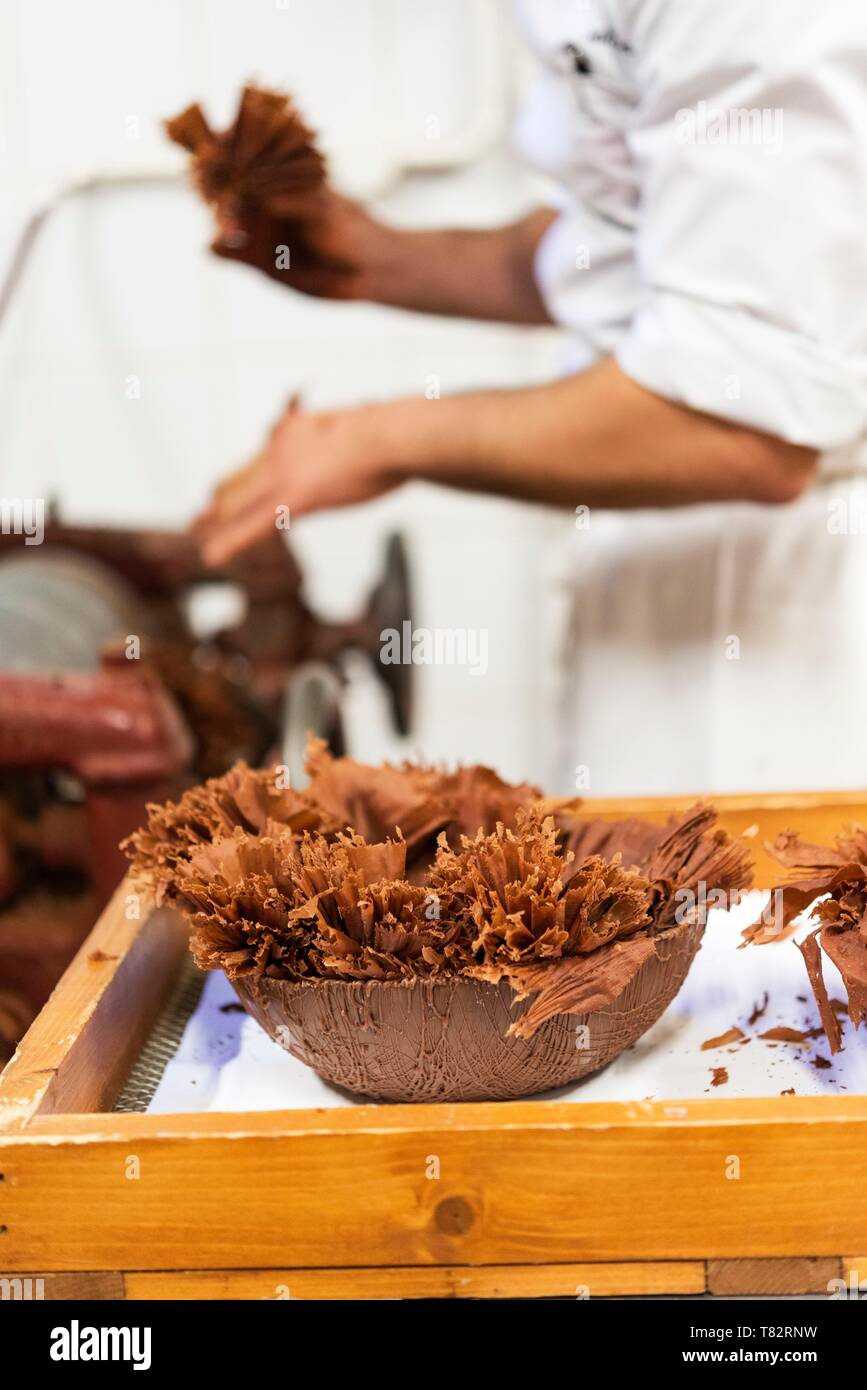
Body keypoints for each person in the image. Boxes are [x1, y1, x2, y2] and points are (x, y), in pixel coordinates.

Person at [195, 0, 867, 795]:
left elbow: (743, 419)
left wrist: (374, 440)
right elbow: (623, 257)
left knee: (748, 908)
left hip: (787, 635)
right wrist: (377, 260)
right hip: (670, 590)